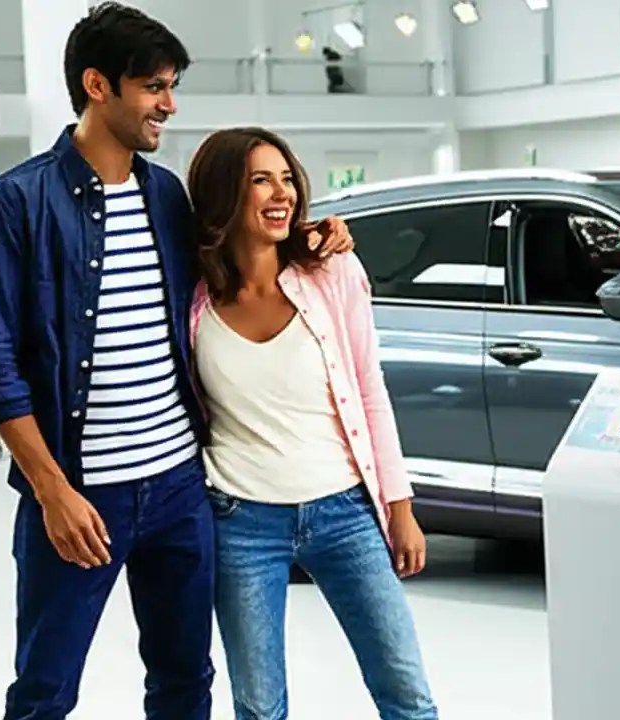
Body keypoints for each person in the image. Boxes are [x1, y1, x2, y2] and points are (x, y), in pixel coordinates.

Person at [0, 4, 350, 718]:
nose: (169, 105)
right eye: (153, 87)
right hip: (80, 494)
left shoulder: (166, 194)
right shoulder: (13, 204)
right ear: (97, 85)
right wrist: (53, 493)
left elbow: (239, 262)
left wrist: (313, 238)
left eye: (172, 86)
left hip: (178, 488)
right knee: (45, 690)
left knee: (183, 680)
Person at [183, 126, 438, 720]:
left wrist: (400, 510)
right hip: (240, 522)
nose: (283, 193)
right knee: (259, 706)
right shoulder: (193, 298)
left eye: (287, 178)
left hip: (345, 512)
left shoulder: (331, 274)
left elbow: (372, 391)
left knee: (406, 693)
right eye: (260, 180)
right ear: (224, 194)